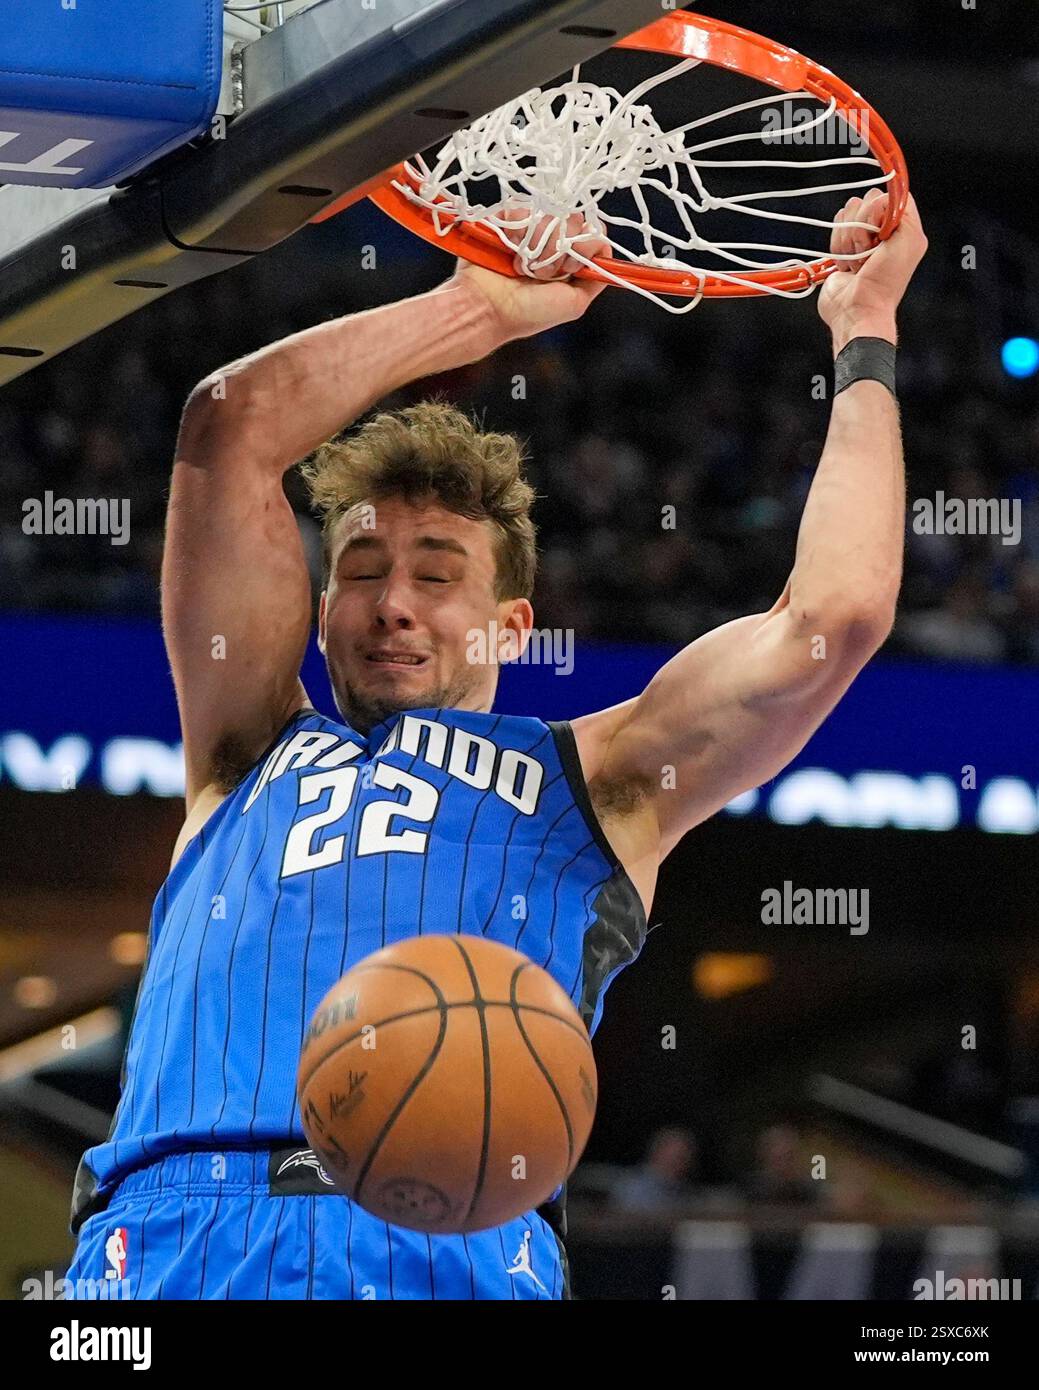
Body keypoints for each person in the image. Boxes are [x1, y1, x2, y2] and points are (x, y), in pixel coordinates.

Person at [64, 188, 927, 1299]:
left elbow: (834, 617)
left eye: (436, 575)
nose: (392, 604)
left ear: (513, 623)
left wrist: (864, 332)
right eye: (363, 573)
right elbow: (227, 427)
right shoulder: (243, 748)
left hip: (453, 1249)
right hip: (164, 1243)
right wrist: (472, 309)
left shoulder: (601, 777)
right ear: (319, 608)